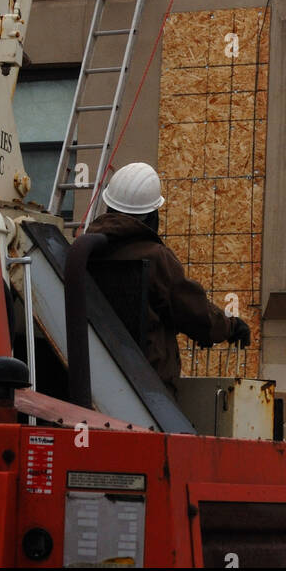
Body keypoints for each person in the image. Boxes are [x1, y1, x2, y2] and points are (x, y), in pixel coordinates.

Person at [88, 163, 250, 396]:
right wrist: (231, 326)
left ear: (109, 205)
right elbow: (194, 313)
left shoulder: (85, 252)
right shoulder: (154, 257)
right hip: (147, 390)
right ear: (152, 215)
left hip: (95, 382)